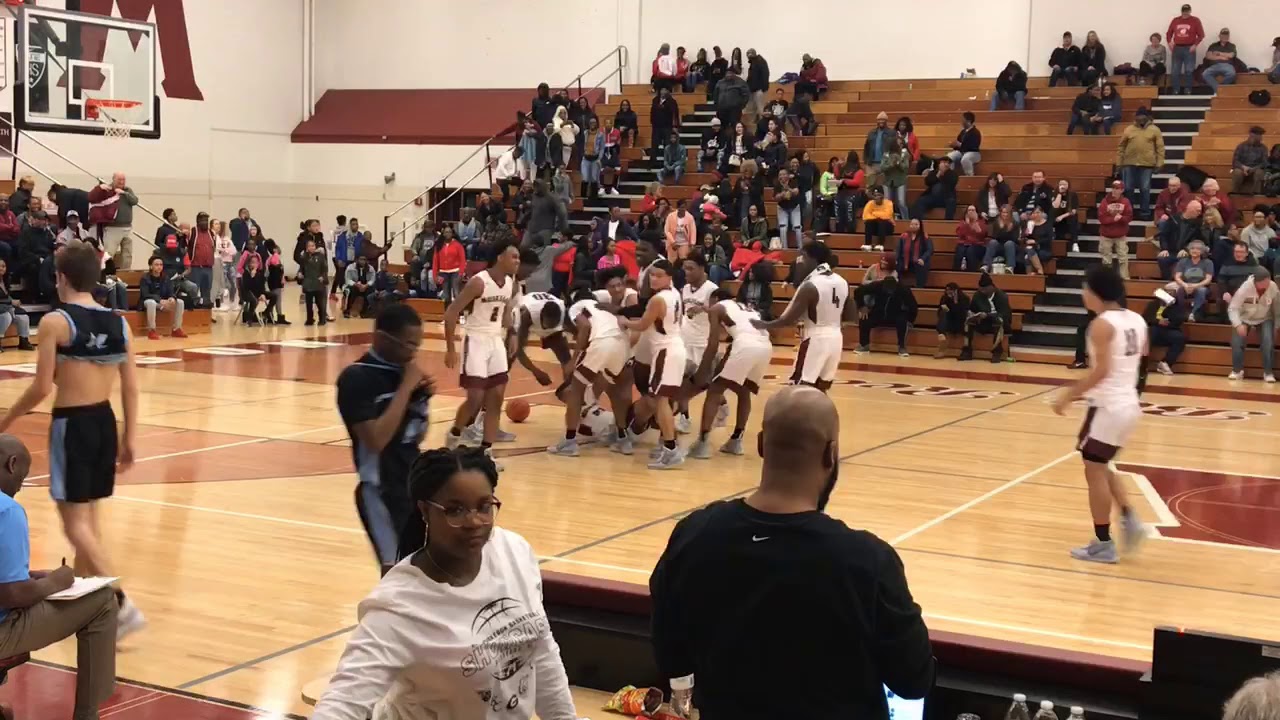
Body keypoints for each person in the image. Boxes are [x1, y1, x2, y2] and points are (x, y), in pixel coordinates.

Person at [650, 385, 933, 720]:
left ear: (760, 445)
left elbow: (670, 656)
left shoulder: (693, 535)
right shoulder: (868, 561)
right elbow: (914, 681)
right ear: (831, 453)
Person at [311, 447, 578, 720]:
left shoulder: (514, 551)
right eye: (455, 510)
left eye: (484, 506)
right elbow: (341, 704)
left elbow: (541, 650)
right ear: (425, 510)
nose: (474, 521)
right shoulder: (398, 608)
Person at [0, 242, 145, 638]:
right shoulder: (120, 323)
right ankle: (92, 615)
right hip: (105, 423)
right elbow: (131, 387)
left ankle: (120, 602)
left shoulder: (55, 322)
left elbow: (41, 387)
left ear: (60, 277)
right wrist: (130, 437)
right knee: (89, 523)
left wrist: (6, 420)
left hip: (73, 425)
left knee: (74, 526)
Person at [0, 433, 119, 720]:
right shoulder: (7, 510)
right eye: (22, 479)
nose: (19, 488)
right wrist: (55, 582)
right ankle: (87, 716)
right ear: (12, 464)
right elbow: (12, 595)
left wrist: (30, 577)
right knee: (103, 600)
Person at [1052, 265, 1149, 564]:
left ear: (1095, 292)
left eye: (1085, 288)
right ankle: (1130, 518)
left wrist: (1069, 394)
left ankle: (1104, 543)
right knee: (1101, 465)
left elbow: (1102, 371)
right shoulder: (1137, 319)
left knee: (1093, 471)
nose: (1083, 294)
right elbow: (1140, 363)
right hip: (1127, 405)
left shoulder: (1101, 325)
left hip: (1108, 407)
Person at [444, 241, 520, 467]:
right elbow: (451, 312)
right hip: (475, 338)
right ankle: (454, 435)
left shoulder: (510, 283)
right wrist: (450, 348)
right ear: (500, 257)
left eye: (518, 257)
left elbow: (505, 314)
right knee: (475, 398)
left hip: (495, 340)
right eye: (514, 256)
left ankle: (486, 452)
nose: (517, 261)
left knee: (496, 398)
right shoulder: (479, 282)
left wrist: (513, 334)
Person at [685, 288, 773, 459]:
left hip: (745, 345)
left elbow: (713, 344)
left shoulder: (717, 308)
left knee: (715, 390)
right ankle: (736, 441)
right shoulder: (745, 308)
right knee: (744, 391)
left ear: (715, 299)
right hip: (766, 346)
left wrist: (703, 371)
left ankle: (702, 444)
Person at [752, 242, 849, 391]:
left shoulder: (811, 285)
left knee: (800, 389)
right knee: (820, 389)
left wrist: (762, 324)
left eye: (802, 256)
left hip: (815, 339)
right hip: (836, 338)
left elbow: (787, 320)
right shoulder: (841, 281)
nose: (799, 261)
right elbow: (850, 314)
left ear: (813, 259)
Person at [1227, 269, 1279, 382]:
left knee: (1268, 342)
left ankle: (1268, 372)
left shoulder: (1273, 287)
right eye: (1265, 282)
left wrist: (1277, 325)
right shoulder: (1244, 288)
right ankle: (1237, 370)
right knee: (1237, 341)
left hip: (1265, 317)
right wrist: (1238, 324)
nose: (1268, 284)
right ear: (1257, 282)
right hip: (1245, 317)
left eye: (1269, 281)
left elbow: (1277, 307)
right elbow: (1233, 308)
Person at [1115, 109, 1163, 221]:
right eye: (1138, 117)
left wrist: (1159, 163)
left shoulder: (1155, 130)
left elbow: (1160, 148)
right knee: (1128, 188)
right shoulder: (1129, 129)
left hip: (1147, 164)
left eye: (1142, 116)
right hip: (1129, 163)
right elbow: (1121, 147)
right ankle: (1129, 212)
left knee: (1145, 188)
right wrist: (1119, 163)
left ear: (1147, 117)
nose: (1140, 119)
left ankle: (1145, 212)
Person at [854, 275, 918, 357]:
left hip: (895, 315)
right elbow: (858, 291)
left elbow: (913, 306)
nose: (889, 292)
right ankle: (864, 345)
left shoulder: (903, 289)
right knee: (864, 319)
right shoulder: (877, 285)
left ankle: (902, 347)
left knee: (902, 320)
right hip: (878, 314)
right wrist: (862, 306)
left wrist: (911, 320)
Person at [960, 272, 1011, 362]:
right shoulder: (978, 295)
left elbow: (1004, 314)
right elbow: (972, 309)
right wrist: (972, 314)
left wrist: (988, 315)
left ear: (991, 287)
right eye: (981, 289)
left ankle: (997, 351)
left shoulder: (1002, 296)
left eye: (985, 289)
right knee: (968, 322)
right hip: (982, 322)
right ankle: (967, 350)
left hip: (998, 322)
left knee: (999, 321)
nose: (982, 291)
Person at [95, 172, 138, 270]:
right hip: (112, 228)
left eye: (123, 180)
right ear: (113, 179)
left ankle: (126, 272)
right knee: (109, 253)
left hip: (127, 227)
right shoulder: (108, 189)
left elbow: (135, 201)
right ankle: (105, 272)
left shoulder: (128, 190)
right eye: (119, 180)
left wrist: (124, 193)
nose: (122, 182)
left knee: (127, 254)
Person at [1155, 199, 1206, 280]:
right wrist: (1164, 249)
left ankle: (1180, 280)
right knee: (1162, 258)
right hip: (1171, 251)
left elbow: (1197, 240)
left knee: (1184, 259)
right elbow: (1164, 235)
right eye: (1198, 210)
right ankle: (1167, 280)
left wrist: (1187, 249)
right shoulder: (1173, 219)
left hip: (1187, 252)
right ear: (1190, 209)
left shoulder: (1198, 224)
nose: (1199, 213)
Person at [138, 255, 186, 339]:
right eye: (156, 264)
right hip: (149, 302)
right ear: (151, 266)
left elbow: (171, 291)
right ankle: (152, 330)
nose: (159, 267)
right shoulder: (145, 278)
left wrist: (171, 298)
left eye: (161, 265)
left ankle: (176, 329)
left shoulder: (166, 278)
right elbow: (145, 294)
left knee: (180, 302)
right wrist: (159, 300)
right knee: (151, 303)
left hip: (164, 302)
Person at [1097, 180, 1133, 279]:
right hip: (1106, 235)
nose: (1114, 190)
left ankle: (1125, 279)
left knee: (1123, 258)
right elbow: (1101, 218)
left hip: (1121, 235)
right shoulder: (1104, 201)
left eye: (1117, 188)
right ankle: (1107, 279)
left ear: (1122, 190)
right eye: (1113, 188)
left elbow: (1129, 217)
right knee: (1106, 260)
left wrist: (1121, 218)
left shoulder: (1125, 202)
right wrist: (1113, 219)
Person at [1146, 292, 1189, 376]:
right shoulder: (1153, 304)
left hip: (1169, 330)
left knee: (1180, 338)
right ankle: (1143, 363)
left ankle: (1165, 363)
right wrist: (1157, 321)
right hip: (1154, 328)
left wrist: (1168, 308)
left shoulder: (1177, 306)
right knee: (1151, 333)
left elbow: (1179, 320)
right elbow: (1146, 317)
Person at [1169, 240, 1213, 320]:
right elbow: (1177, 277)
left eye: (1198, 249)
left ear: (1202, 251)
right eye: (1192, 248)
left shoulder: (1208, 263)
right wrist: (1185, 285)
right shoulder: (1183, 262)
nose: (1194, 251)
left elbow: (1208, 279)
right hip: (1186, 285)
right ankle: (1182, 312)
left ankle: (1193, 313)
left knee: (1201, 291)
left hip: (1201, 286)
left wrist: (1195, 286)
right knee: (1180, 290)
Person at [1166, 4, 1205, 95]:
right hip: (1177, 48)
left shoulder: (1195, 20)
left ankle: (1188, 89)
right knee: (1175, 71)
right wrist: (1169, 42)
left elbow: (1201, 35)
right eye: (1184, 11)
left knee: (1189, 70)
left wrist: (1195, 45)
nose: (1185, 13)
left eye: (1187, 11)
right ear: (1181, 11)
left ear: (1190, 11)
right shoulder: (1175, 20)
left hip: (1189, 48)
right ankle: (1176, 89)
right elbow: (1169, 33)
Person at [0, 261, 33, 352]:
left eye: (3, 266)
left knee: (23, 316)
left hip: (6, 306)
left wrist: (12, 300)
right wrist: (11, 301)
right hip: (2, 309)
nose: (1, 268)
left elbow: (6, 296)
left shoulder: (6, 279)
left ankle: (23, 341)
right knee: (6, 316)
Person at [912, 156, 958, 221]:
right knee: (921, 201)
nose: (946, 164)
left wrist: (944, 173)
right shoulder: (933, 173)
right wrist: (938, 174)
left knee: (951, 202)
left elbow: (951, 183)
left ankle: (948, 222)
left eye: (948, 163)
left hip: (946, 198)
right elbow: (928, 182)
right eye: (944, 162)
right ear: (939, 164)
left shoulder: (953, 174)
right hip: (933, 198)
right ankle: (920, 221)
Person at [895, 218, 932, 289]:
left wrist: (922, 259)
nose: (913, 226)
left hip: (919, 260)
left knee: (921, 266)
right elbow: (898, 249)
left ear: (920, 226)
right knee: (897, 265)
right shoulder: (904, 236)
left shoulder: (925, 237)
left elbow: (929, 250)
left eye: (916, 224)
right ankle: (898, 287)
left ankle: (919, 287)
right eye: (912, 224)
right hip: (905, 261)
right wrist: (896, 259)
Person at [300, 237, 330, 325]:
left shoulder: (320, 256)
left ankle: (322, 318)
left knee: (319, 302)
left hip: (318, 283)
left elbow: (325, 268)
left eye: (313, 246)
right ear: (306, 248)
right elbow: (301, 268)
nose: (311, 248)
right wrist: (300, 273)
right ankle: (310, 319)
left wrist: (323, 277)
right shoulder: (304, 257)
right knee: (308, 303)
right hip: (308, 283)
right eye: (309, 246)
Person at [936, 282, 970, 358]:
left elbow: (961, 314)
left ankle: (941, 334)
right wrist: (946, 306)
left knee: (944, 316)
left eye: (950, 290)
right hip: (948, 320)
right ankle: (942, 334)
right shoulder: (944, 298)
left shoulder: (964, 298)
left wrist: (955, 302)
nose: (948, 292)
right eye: (947, 290)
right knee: (943, 313)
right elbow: (940, 311)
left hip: (959, 321)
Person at [1232, 126, 1268, 196]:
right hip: (1242, 169)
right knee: (1237, 172)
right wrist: (1243, 167)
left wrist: (1253, 169)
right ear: (1252, 135)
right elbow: (1235, 161)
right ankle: (1234, 194)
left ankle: (1256, 194)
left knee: (1259, 173)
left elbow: (1264, 163)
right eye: (1259, 135)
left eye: (1261, 135)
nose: (1261, 137)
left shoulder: (1263, 148)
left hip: (1256, 169)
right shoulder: (1241, 146)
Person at [1202, 28, 1238, 93]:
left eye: (1226, 35)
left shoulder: (1231, 46)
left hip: (1227, 65)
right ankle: (1219, 90)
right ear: (1219, 36)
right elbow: (1208, 56)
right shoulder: (1213, 45)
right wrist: (1222, 57)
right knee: (1205, 74)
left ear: (1228, 36)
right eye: (1223, 35)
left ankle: (1220, 89)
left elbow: (1231, 55)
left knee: (1232, 74)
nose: (1225, 37)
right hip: (1214, 66)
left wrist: (1218, 53)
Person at [946, 112, 982, 176]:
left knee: (965, 159)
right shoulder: (963, 132)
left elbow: (973, 146)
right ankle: (950, 175)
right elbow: (959, 142)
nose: (962, 122)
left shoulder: (976, 132)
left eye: (963, 120)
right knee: (949, 157)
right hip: (962, 152)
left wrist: (960, 145)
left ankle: (970, 176)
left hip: (973, 153)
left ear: (968, 121)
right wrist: (954, 145)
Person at [774, 168, 803, 249]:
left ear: (788, 175)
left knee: (797, 228)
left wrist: (788, 188)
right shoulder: (777, 184)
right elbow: (775, 198)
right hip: (782, 208)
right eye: (780, 175)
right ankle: (785, 249)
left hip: (794, 207)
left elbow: (796, 192)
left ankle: (800, 248)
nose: (782, 176)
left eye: (784, 174)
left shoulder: (793, 182)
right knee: (783, 228)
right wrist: (781, 195)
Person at [1022, 207, 1054, 276]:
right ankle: (1034, 274)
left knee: (1027, 256)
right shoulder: (1030, 224)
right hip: (1032, 248)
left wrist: (1036, 241)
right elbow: (1024, 239)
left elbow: (1049, 239)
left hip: (1044, 249)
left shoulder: (1047, 225)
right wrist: (1025, 234)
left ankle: (1038, 271)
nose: (1036, 215)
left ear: (1042, 213)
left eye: (1038, 212)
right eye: (1034, 213)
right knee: (1028, 251)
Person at [955, 205, 988, 271]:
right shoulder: (963, 222)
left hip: (978, 246)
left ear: (976, 212)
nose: (971, 212)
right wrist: (967, 224)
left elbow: (982, 235)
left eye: (973, 210)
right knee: (960, 249)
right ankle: (958, 271)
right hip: (964, 245)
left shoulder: (981, 222)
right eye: (969, 210)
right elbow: (960, 234)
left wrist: (974, 223)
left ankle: (971, 271)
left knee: (970, 250)